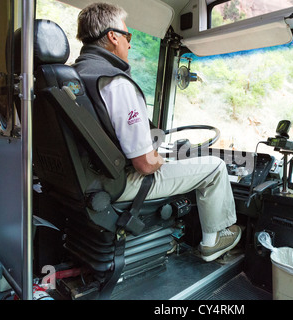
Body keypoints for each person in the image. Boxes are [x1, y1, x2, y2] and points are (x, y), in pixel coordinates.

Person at [73, 2, 240, 262]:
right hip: (119, 183)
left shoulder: (75, 76)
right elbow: (145, 164)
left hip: (88, 180)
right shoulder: (116, 82)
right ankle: (214, 240)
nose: (130, 44)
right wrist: (161, 158)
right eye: (127, 36)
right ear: (112, 36)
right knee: (216, 167)